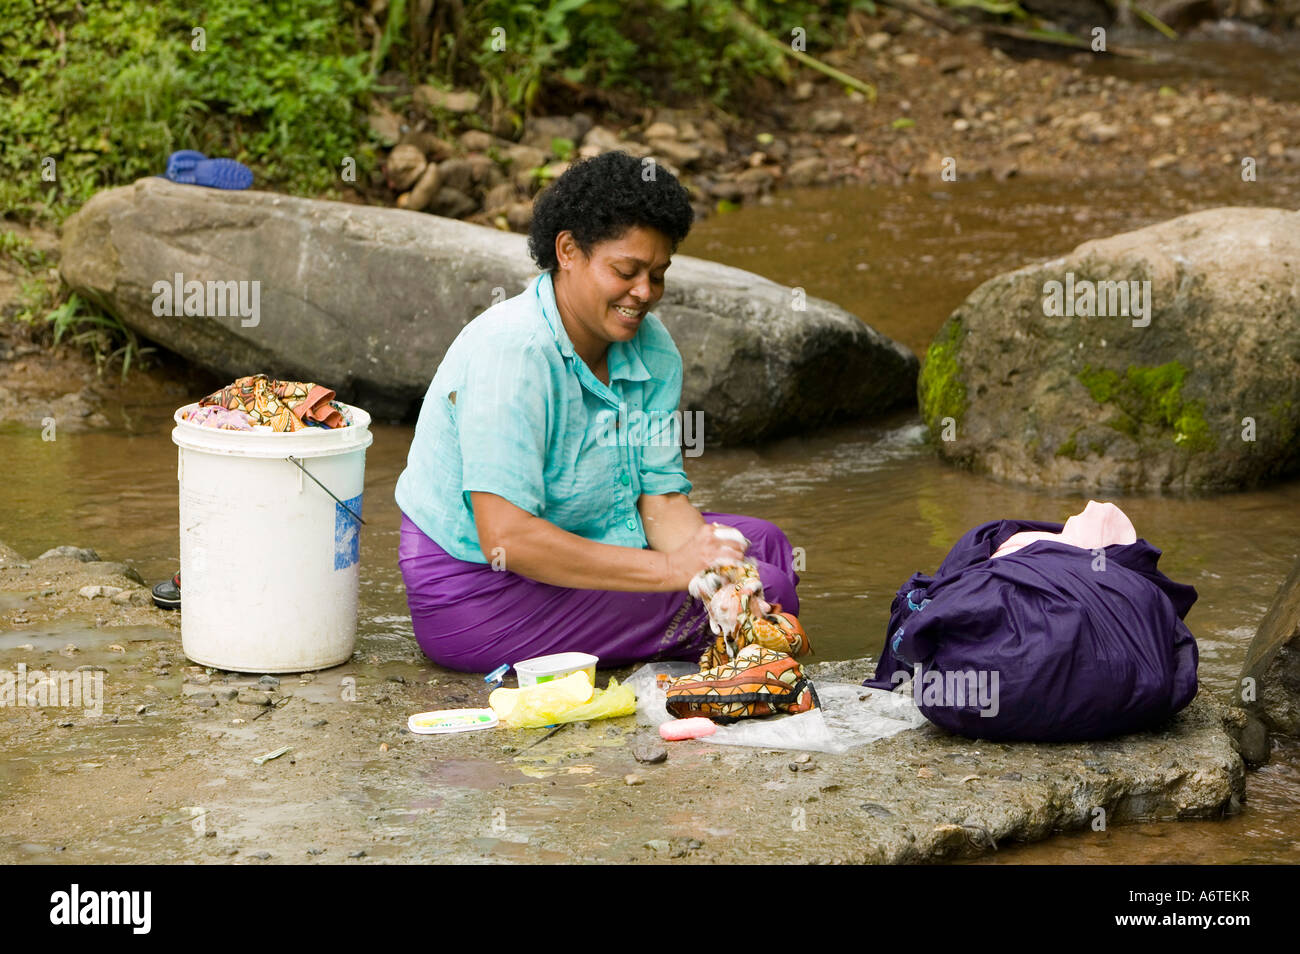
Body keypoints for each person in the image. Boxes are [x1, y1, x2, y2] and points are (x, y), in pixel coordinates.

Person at [394, 151, 802, 672]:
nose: (644, 294)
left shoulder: (651, 350)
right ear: (568, 251)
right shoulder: (513, 352)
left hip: (579, 539)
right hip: (482, 593)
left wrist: (708, 565)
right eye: (626, 271)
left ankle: (726, 649)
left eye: (658, 275)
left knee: (763, 546)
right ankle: (735, 669)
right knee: (768, 588)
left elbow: (661, 499)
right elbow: (507, 537)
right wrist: (673, 570)